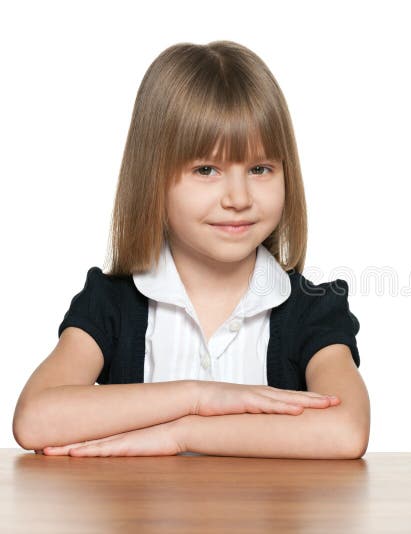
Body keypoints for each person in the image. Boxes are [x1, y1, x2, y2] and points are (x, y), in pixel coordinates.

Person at [13, 41, 369, 458]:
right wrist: (199, 396)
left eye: (260, 169)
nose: (238, 197)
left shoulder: (312, 309)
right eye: (206, 170)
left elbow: (346, 432)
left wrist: (182, 433)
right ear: (152, 177)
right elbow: (35, 420)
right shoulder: (112, 301)